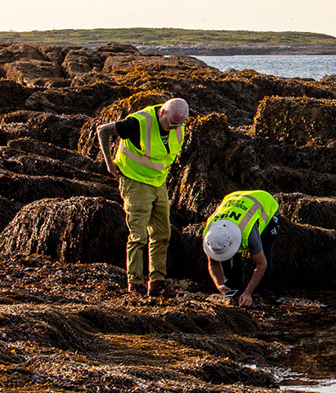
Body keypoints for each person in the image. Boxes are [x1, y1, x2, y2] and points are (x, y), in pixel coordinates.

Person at [95, 97, 189, 296]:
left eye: (179, 124)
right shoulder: (138, 122)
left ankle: (157, 282)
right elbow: (103, 130)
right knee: (138, 236)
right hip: (135, 182)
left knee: (162, 234)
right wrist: (109, 163)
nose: (174, 128)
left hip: (158, 182)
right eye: (171, 123)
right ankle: (135, 284)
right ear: (162, 112)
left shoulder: (177, 124)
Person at [202, 190, 280, 307]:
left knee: (265, 249)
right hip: (234, 198)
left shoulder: (249, 234)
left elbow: (261, 264)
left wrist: (248, 293)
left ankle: (258, 293)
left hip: (266, 203)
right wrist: (220, 285)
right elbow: (213, 263)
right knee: (228, 257)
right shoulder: (211, 234)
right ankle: (233, 287)